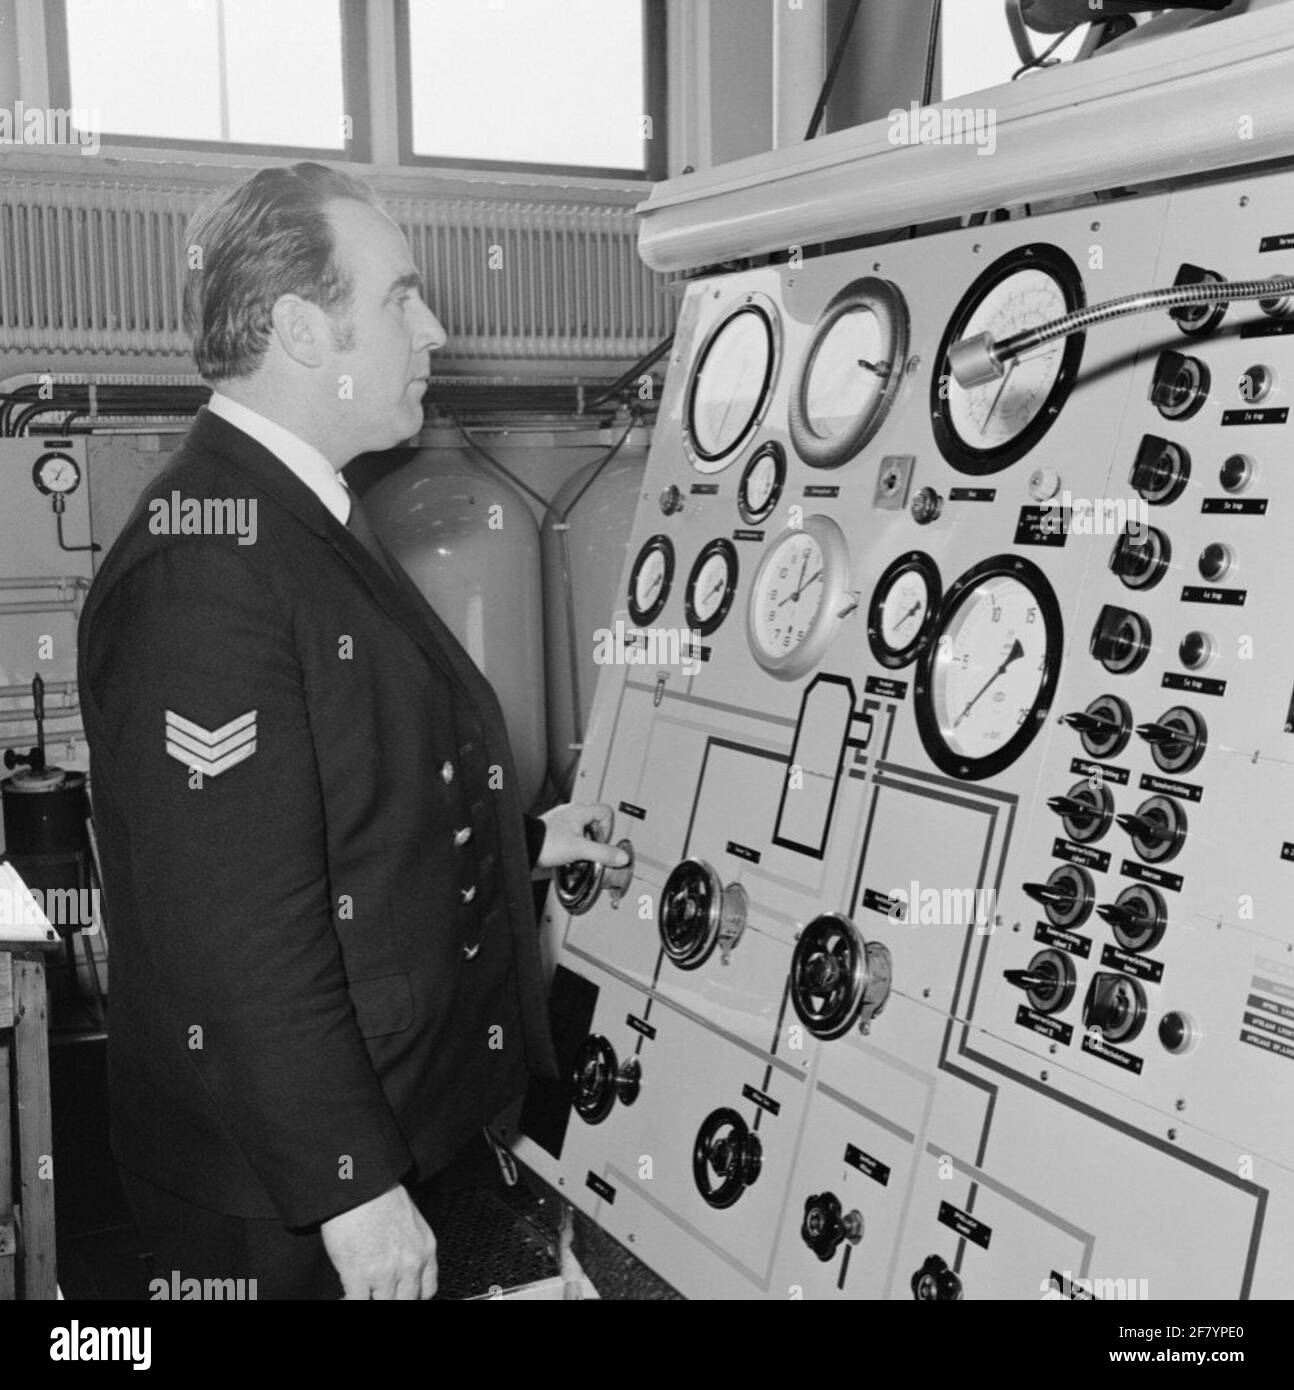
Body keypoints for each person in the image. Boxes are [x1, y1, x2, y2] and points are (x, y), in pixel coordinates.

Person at [76, 162, 626, 1300]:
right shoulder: (204, 566)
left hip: (375, 1129)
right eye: (399, 297)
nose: (432, 326)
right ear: (299, 329)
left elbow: (346, 799)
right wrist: (353, 1190)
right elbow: (236, 934)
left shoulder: (302, 513)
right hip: (279, 1199)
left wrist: (522, 843)